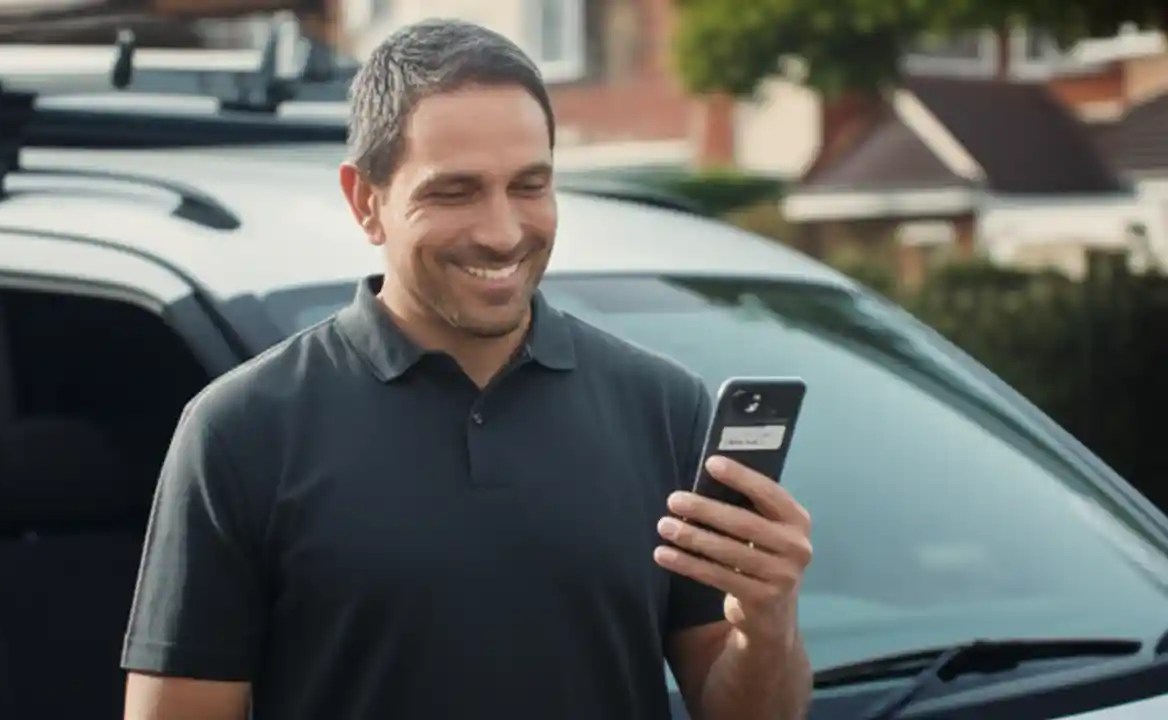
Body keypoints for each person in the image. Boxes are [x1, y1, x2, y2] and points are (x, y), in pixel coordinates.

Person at [120, 17, 813, 720]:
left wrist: (768, 623)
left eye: (529, 185)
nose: (503, 230)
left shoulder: (662, 408)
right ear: (366, 201)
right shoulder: (241, 431)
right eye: (455, 192)